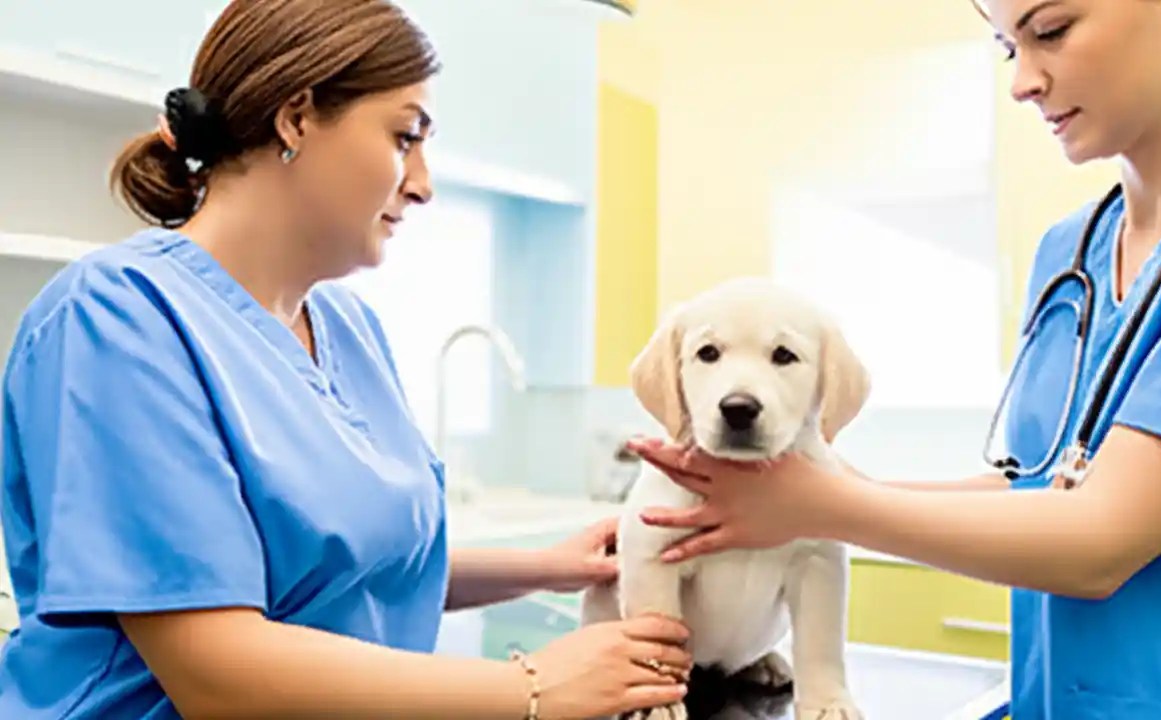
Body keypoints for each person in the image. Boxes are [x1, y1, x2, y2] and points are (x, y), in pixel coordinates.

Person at [0, 1, 692, 718]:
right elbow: (214, 668)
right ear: (296, 117)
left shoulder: (346, 326)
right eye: (405, 136)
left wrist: (548, 568)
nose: (421, 183)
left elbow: (335, 571)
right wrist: (534, 687)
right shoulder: (116, 318)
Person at [629, 1, 1161, 718]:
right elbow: (1039, 489)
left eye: (1052, 31)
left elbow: (1099, 537)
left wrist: (821, 504)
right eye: (1008, 49)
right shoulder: (1069, 252)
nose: (1022, 83)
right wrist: (832, 482)